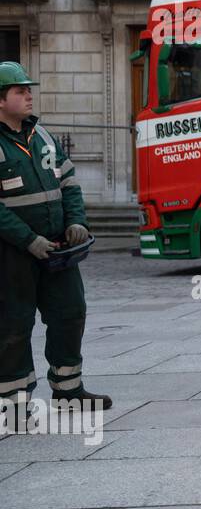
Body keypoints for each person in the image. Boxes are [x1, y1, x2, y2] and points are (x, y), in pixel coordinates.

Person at [0, 61, 112, 415]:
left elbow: (69, 183)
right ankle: (14, 404)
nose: (29, 95)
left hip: (57, 248)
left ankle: (68, 389)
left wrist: (76, 222)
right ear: (1, 100)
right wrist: (27, 239)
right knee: (14, 323)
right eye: (20, 90)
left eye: (28, 89)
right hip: (12, 253)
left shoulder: (42, 135)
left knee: (70, 312)